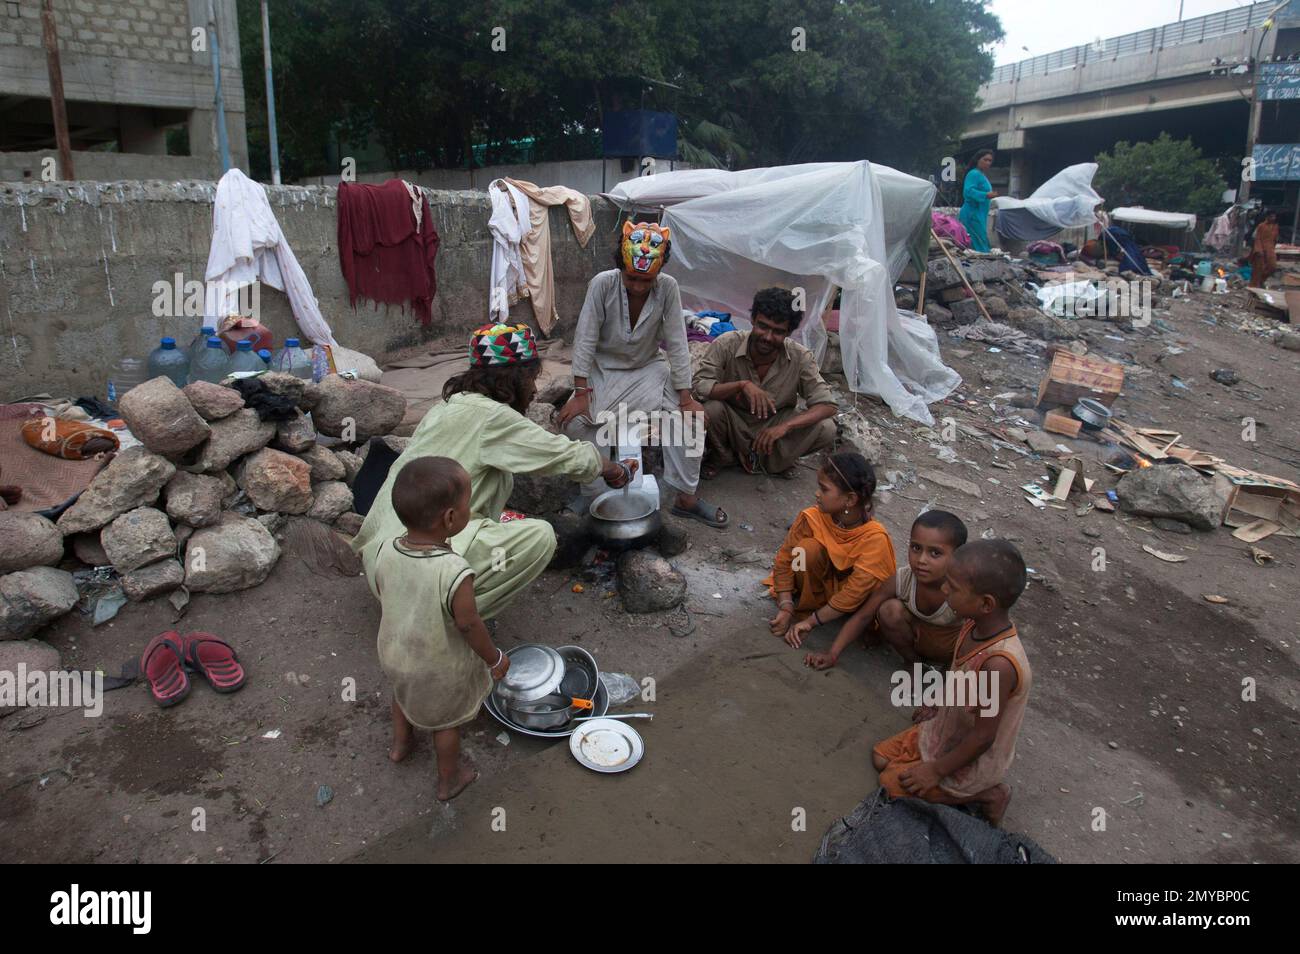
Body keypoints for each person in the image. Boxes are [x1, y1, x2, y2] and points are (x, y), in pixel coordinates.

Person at [352, 322, 635, 618]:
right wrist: (614, 470)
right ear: (513, 378)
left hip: (383, 564)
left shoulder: (446, 407)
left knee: (492, 511)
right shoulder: (492, 417)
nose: (534, 389)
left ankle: (435, 597)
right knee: (539, 537)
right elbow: (565, 455)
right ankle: (450, 617)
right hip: (417, 572)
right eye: (531, 378)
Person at [560, 220, 726, 528]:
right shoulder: (602, 283)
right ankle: (592, 494)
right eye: (632, 279)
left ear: (659, 271)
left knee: (689, 422)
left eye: (646, 281)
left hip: (651, 368)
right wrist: (581, 394)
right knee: (577, 426)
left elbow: (677, 342)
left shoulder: (668, 287)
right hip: (604, 369)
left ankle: (685, 497)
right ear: (621, 264)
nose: (638, 286)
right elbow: (584, 339)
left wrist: (686, 397)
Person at [373, 457, 508, 801]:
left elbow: (386, 590)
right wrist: (494, 659)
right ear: (450, 518)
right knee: (446, 722)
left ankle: (400, 746)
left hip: (395, 652)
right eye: (467, 505)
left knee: (402, 695)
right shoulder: (453, 570)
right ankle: (450, 779)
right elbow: (468, 624)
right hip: (434, 666)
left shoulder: (386, 549)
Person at [871, 539, 1032, 827]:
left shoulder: (999, 665)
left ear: (986, 604)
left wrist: (934, 771)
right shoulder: (971, 624)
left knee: (889, 784)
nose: (944, 590)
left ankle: (988, 794)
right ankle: (933, 765)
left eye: (953, 588)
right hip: (948, 730)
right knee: (880, 758)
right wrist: (937, 701)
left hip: (971, 754)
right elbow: (960, 673)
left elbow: (983, 737)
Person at [693, 287, 838, 479]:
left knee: (827, 429)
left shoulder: (800, 356)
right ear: (752, 320)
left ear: (789, 332)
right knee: (710, 409)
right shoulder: (726, 343)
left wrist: (785, 427)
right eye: (763, 326)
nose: (768, 337)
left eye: (778, 332)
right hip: (732, 420)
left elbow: (827, 405)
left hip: (774, 423)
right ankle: (723, 456)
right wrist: (741, 385)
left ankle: (773, 461)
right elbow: (699, 385)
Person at [805, 510, 967, 670]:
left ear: (957, 556)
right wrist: (832, 654)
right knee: (888, 609)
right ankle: (913, 663)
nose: (921, 560)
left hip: (948, 649)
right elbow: (864, 615)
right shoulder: (902, 579)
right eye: (916, 548)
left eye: (935, 553)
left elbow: (978, 639)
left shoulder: (964, 590)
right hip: (915, 640)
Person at [765, 451, 896, 648]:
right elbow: (785, 560)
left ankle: (827, 615)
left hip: (853, 604)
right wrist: (786, 606)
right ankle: (809, 601)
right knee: (804, 550)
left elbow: (854, 593)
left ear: (850, 500)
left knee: (869, 587)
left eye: (824, 490)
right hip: (820, 585)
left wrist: (811, 622)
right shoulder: (812, 517)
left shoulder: (875, 538)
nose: (817, 494)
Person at [959, 150, 997, 254]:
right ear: (977, 160)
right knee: (977, 243)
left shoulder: (981, 175)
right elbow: (968, 191)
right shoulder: (974, 173)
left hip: (979, 214)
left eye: (990, 161)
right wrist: (986, 195)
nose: (988, 163)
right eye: (985, 160)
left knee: (980, 241)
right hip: (972, 213)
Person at [1250, 212, 1279, 288]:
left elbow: (1275, 239)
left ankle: (1262, 280)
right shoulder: (1261, 226)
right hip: (1261, 249)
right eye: (1271, 216)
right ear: (1267, 217)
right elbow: (1257, 238)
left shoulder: (1276, 226)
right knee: (1258, 268)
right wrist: (1258, 250)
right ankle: (1255, 284)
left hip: (1270, 249)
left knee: (1272, 266)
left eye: (1274, 217)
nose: (1273, 218)